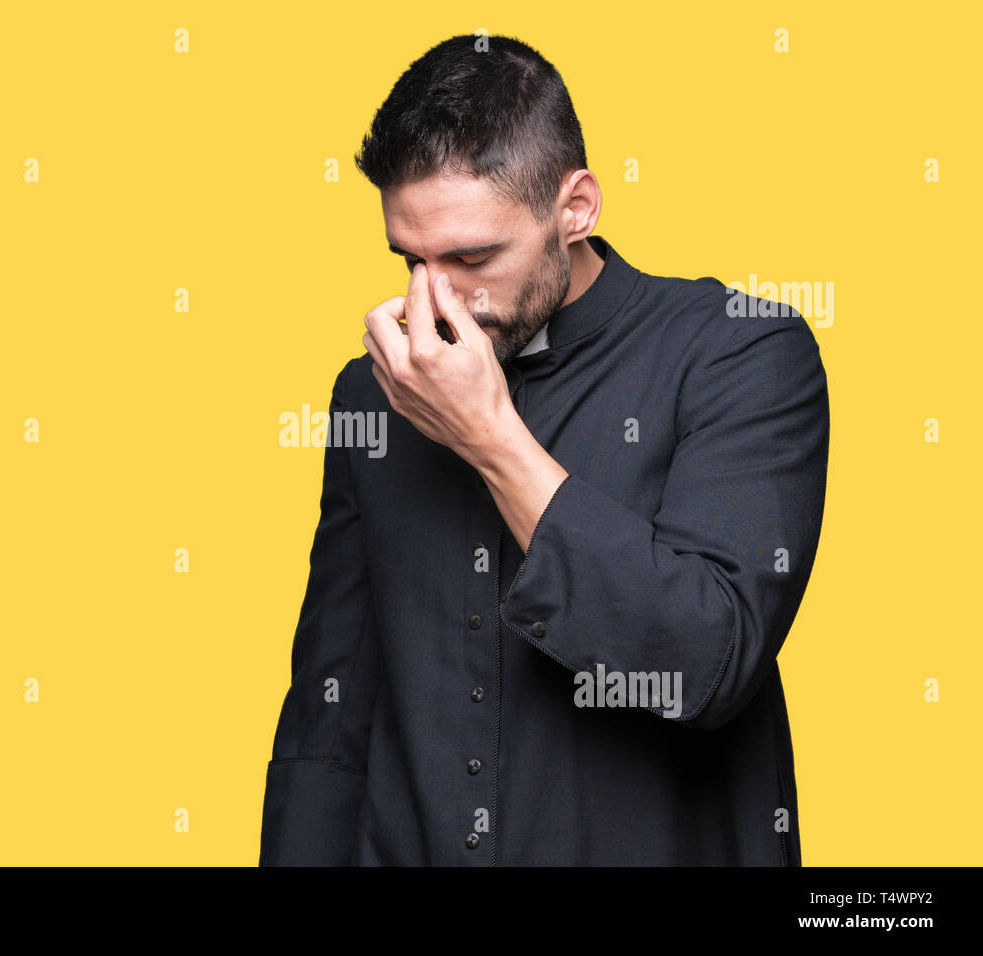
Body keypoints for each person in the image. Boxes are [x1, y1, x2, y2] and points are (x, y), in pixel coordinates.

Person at [259, 33, 829, 866]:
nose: (434, 300)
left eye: (472, 257)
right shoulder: (374, 390)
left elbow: (709, 659)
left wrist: (487, 438)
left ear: (577, 207)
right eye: (409, 260)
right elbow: (331, 708)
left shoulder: (741, 354)